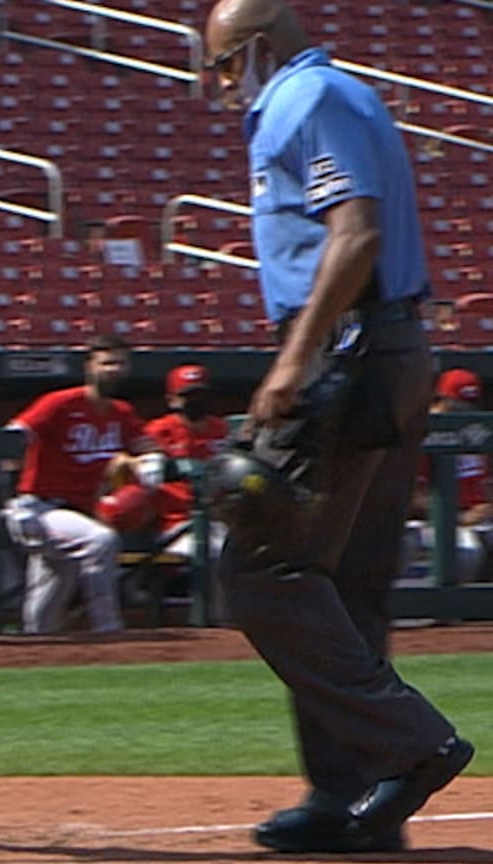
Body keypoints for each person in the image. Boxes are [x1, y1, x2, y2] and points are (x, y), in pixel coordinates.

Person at [203, 0, 473, 853]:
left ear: (254, 47)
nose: (217, 84)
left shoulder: (307, 97)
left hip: (347, 352)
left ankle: (407, 746)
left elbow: (353, 235)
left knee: (260, 570)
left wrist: (294, 361)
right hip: (383, 347)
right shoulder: (336, 96)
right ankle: (351, 796)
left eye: (219, 64)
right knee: (345, 578)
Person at [0, 334, 147, 635]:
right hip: (37, 508)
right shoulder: (61, 403)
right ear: (89, 366)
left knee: (45, 613)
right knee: (101, 541)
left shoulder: (122, 413)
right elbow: (13, 436)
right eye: (106, 362)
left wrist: (138, 462)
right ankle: (108, 630)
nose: (113, 369)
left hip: (75, 515)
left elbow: (150, 449)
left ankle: (34, 651)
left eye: (119, 363)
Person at [403, 369, 492, 584]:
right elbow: (409, 498)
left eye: (468, 407)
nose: (462, 414)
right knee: (465, 553)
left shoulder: (480, 433)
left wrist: (486, 508)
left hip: (479, 522)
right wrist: (458, 517)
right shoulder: (415, 436)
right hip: (429, 524)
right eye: (456, 406)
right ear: (437, 401)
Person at [142, 364, 230, 559]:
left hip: (220, 521)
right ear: (172, 400)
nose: (196, 401)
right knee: (215, 553)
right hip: (177, 524)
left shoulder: (222, 429)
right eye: (188, 396)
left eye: (201, 395)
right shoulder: (158, 431)